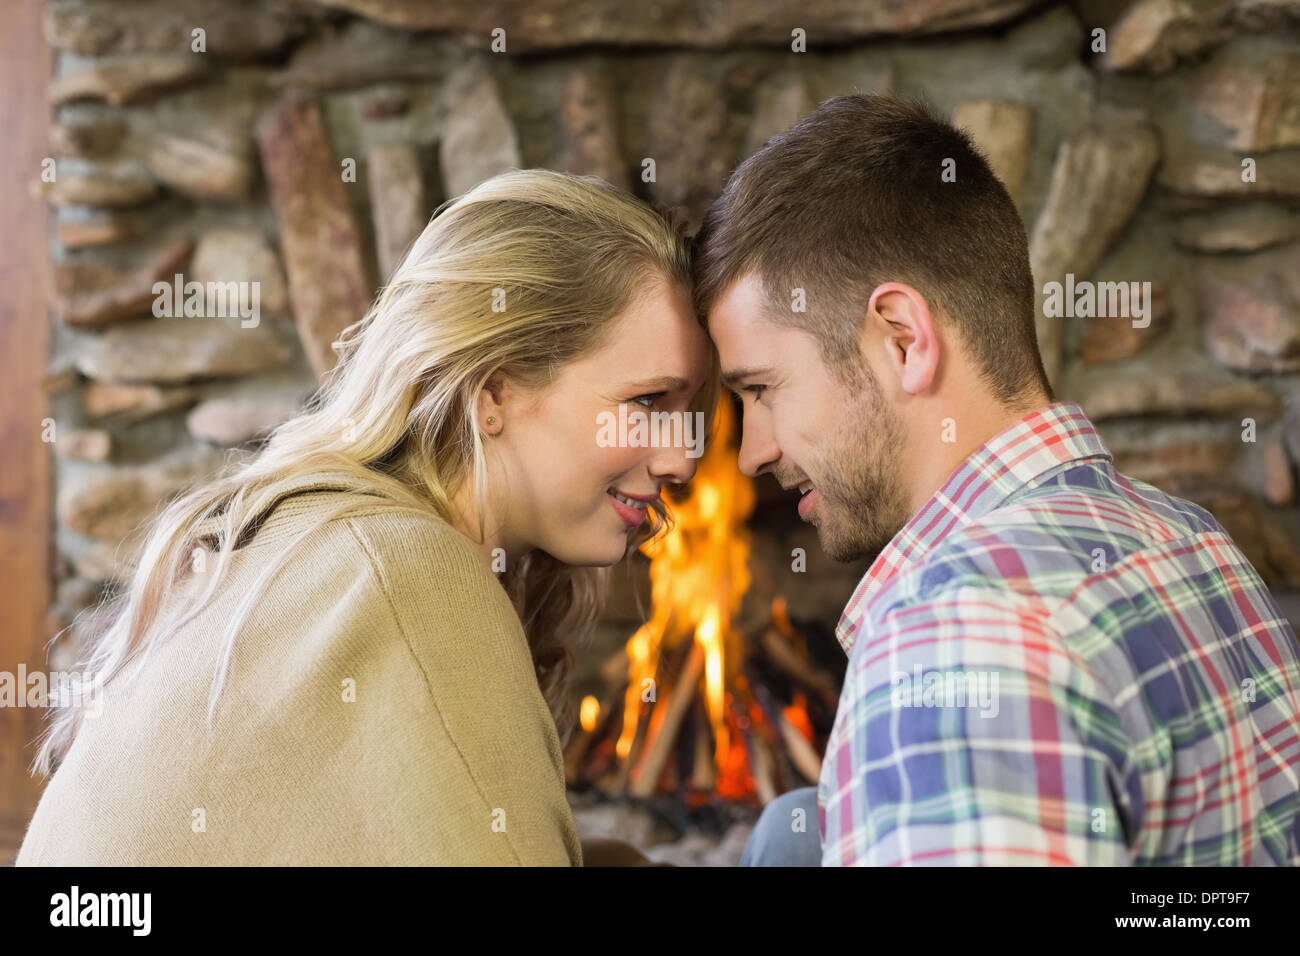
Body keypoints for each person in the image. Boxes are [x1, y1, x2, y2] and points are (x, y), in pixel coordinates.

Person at [18, 169, 717, 866]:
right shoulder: (408, 574)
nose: (683, 461)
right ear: (496, 389)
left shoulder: (323, 539)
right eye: (650, 402)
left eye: (693, 414)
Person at [697, 94, 1300, 866]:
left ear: (903, 339)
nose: (751, 453)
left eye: (762, 390)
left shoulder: (953, 639)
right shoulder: (1189, 535)